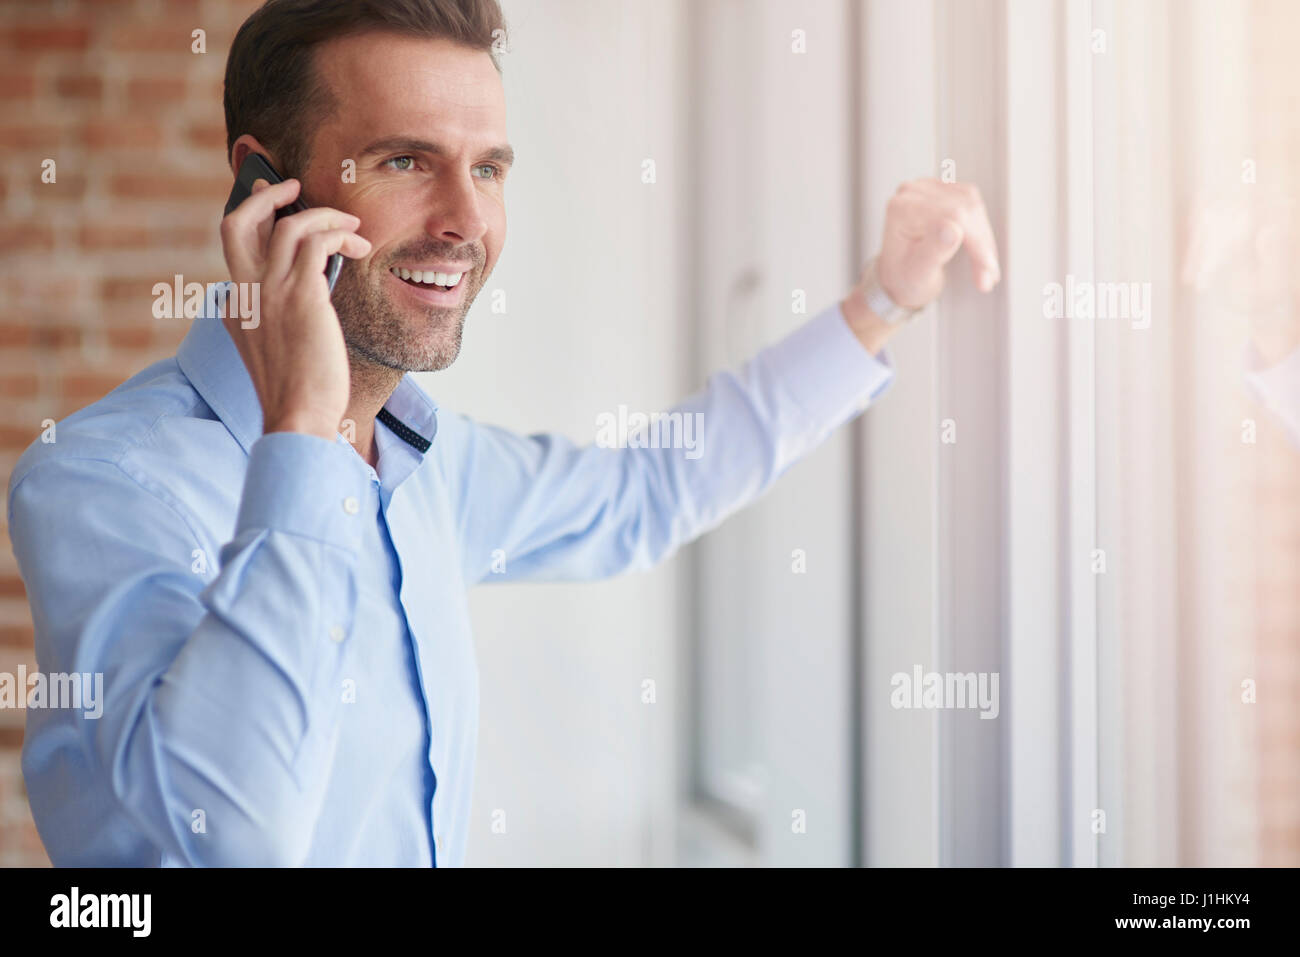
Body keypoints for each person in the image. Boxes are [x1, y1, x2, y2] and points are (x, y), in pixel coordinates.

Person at [6, 0, 999, 866]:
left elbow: (646, 495)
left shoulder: (422, 462)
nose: (465, 220)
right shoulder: (104, 483)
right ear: (263, 190)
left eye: (489, 168)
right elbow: (234, 832)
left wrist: (883, 301)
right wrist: (300, 427)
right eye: (406, 161)